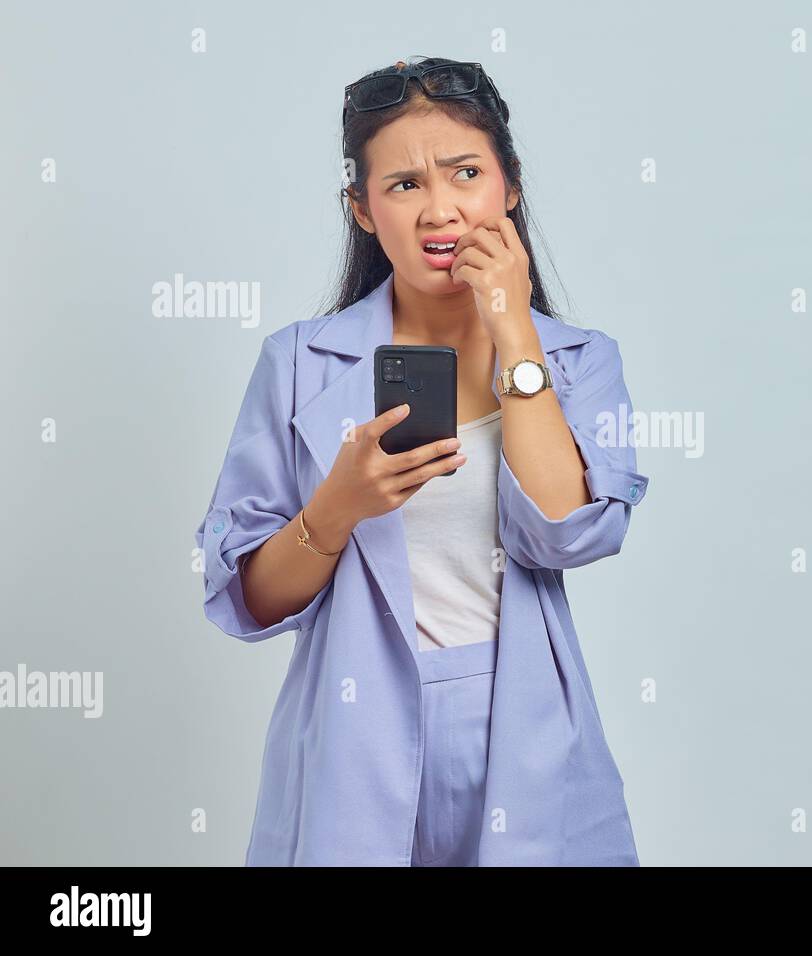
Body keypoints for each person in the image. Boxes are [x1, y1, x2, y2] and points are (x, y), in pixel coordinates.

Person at [194, 57, 649, 865]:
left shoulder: (582, 360)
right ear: (362, 210)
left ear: (508, 186)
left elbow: (568, 534)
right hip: (351, 736)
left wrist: (515, 331)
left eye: (465, 173)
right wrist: (337, 507)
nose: (440, 210)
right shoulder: (300, 362)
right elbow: (248, 600)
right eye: (403, 185)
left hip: (527, 732)